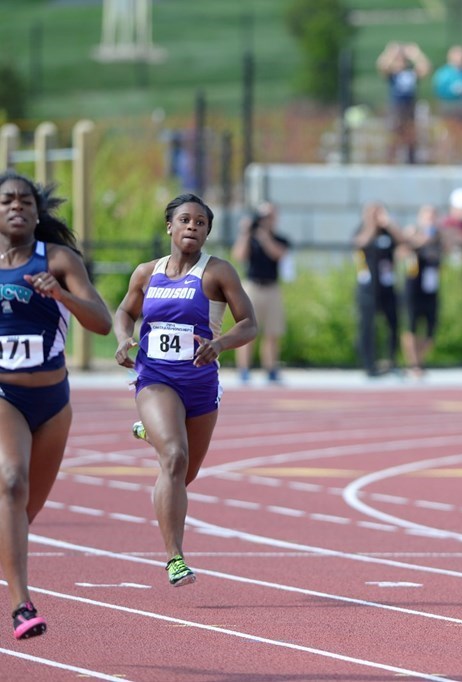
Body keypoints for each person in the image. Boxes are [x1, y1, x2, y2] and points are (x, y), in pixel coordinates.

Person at [114, 193, 257, 587]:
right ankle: (175, 557)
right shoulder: (146, 273)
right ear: (170, 226)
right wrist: (125, 337)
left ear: (208, 231)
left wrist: (221, 343)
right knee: (174, 459)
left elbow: (249, 323)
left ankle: (153, 433)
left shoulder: (218, 273)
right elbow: (125, 310)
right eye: (185, 220)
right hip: (155, 378)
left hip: (200, 385)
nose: (192, 227)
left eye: (200, 222)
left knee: (183, 474)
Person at [0, 171, 113, 639]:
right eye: (7, 200)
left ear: (37, 210)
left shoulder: (60, 259)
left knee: (24, 512)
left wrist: (60, 293)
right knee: (11, 482)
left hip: (53, 401)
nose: (17, 207)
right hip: (5, 393)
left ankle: (12, 572)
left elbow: (103, 323)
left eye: (25, 200)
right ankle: (21, 606)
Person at [231, 201, 290, 384]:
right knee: (247, 330)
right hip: (252, 286)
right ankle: (244, 369)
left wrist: (264, 237)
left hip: (272, 287)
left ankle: (271, 368)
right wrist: (245, 233)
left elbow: (279, 254)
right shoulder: (250, 239)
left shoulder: (280, 239)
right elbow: (239, 255)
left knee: (273, 332)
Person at [354, 202, 404, 377]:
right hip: (368, 288)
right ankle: (369, 364)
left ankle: (391, 361)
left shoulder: (387, 231)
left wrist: (388, 223)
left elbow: (403, 241)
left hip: (387, 286)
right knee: (367, 326)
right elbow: (360, 242)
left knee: (393, 324)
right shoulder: (363, 229)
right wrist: (371, 223)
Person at [401, 205, 445, 377]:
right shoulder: (412, 233)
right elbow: (402, 251)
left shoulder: (439, 236)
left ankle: (420, 360)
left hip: (431, 287)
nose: (431, 220)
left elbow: (451, 246)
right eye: (428, 217)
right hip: (414, 286)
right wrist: (423, 238)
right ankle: (414, 364)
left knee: (431, 327)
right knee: (411, 325)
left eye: (434, 217)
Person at [377, 41, 431, 164]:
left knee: (411, 135)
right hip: (396, 108)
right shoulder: (393, 75)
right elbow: (382, 66)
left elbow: (426, 67)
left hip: (410, 107)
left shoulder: (411, 73)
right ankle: (390, 160)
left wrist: (416, 54)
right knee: (394, 135)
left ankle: (411, 161)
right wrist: (390, 53)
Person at [432, 44, 462, 165]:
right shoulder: (444, 73)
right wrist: (452, 91)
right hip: (448, 110)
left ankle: (460, 159)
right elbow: (439, 89)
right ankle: (445, 161)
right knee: (447, 136)